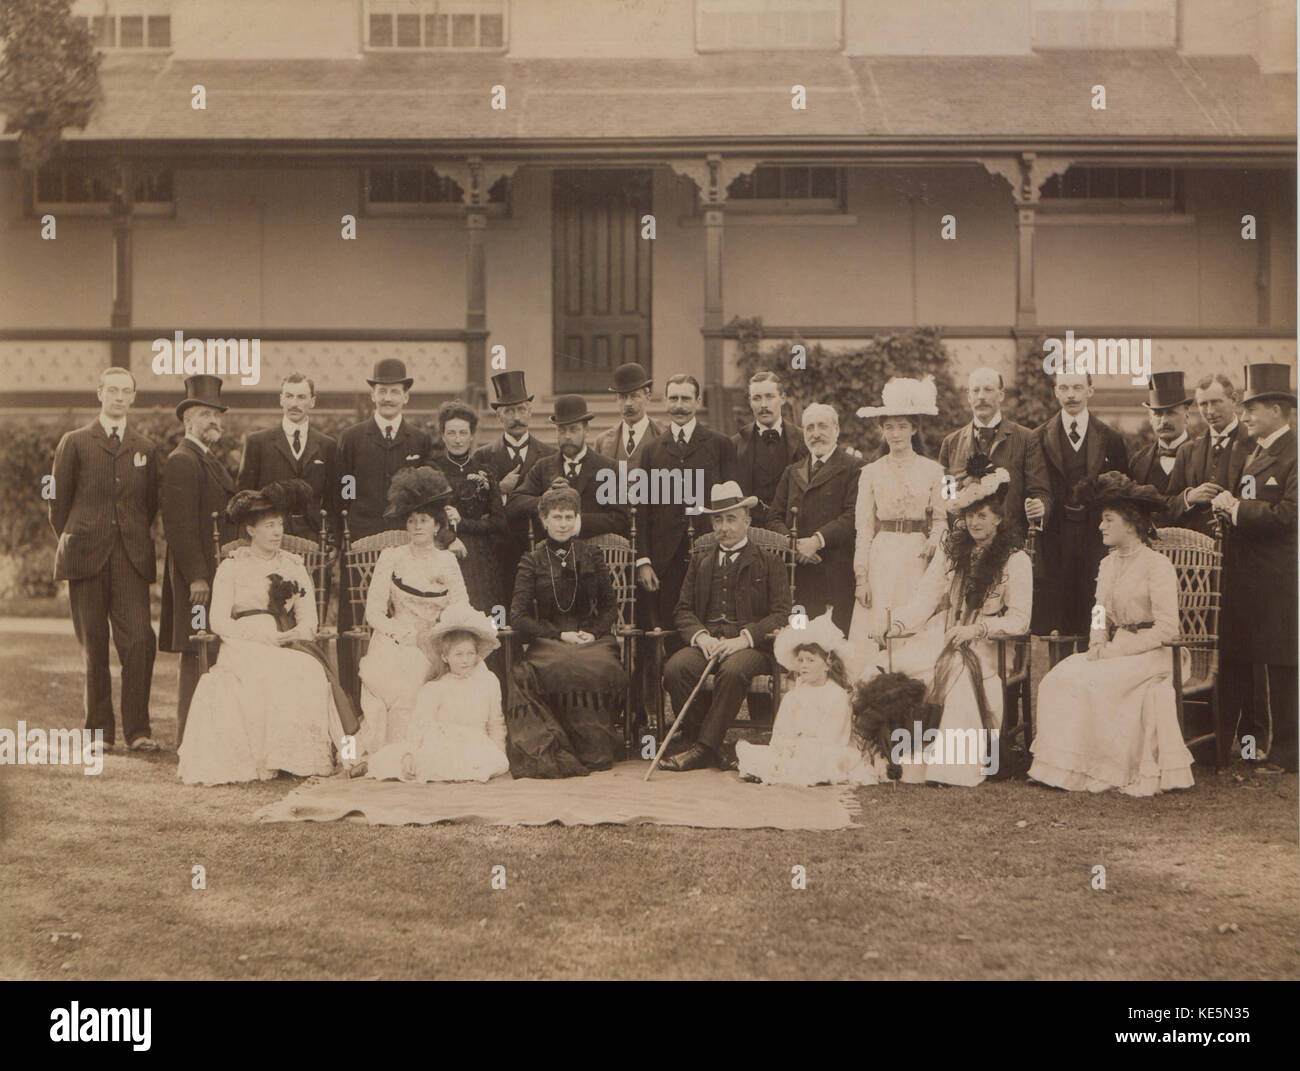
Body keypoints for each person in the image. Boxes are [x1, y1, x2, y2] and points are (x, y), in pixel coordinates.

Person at [866, 455, 1033, 786]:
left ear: (998, 518)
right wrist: (897, 625)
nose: (974, 523)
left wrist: (978, 628)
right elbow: (924, 599)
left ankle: (950, 767)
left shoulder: (1016, 560)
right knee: (881, 667)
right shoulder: (954, 553)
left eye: (982, 515)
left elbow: (1020, 620)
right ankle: (889, 757)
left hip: (990, 645)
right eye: (970, 515)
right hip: (944, 635)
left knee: (955, 676)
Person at [1029, 471, 1195, 795]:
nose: (1100, 527)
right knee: (1058, 678)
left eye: (1107, 520)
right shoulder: (1107, 564)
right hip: (1115, 647)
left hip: (1156, 654)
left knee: (1097, 681)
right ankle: (1062, 767)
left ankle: (1106, 768)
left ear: (1131, 523)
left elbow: (1167, 628)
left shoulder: (1157, 566)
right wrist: (1096, 640)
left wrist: (1118, 652)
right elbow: (1099, 611)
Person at [177, 481, 351, 785]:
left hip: (286, 641)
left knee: (309, 670)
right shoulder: (231, 568)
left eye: (280, 525)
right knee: (264, 673)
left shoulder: (294, 565)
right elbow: (217, 620)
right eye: (269, 525)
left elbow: (309, 620)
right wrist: (257, 638)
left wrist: (287, 637)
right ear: (251, 530)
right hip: (242, 644)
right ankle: (266, 760)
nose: (277, 532)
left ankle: (302, 757)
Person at [49, 367, 160, 751]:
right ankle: (98, 733)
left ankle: (138, 731)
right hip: (85, 557)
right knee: (94, 647)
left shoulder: (145, 447)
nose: (118, 397)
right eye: (111, 390)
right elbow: (57, 506)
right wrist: (82, 536)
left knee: (141, 641)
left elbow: (149, 506)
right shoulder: (75, 442)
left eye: (125, 391)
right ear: (99, 393)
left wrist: (126, 534)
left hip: (130, 558)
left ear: (133, 397)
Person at [659, 482, 791, 772]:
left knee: (733, 672)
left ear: (747, 520)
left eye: (731, 518)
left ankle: (702, 749)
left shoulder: (769, 562)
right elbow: (682, 610)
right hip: (708, 643)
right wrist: (701, 636)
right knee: (676, 668)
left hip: (750, 648)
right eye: (717, 520)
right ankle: (705, 743)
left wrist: (744, 638)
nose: (724, 527)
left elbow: (782, 614)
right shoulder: (699, 562)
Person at [1209, 363, 1297, 774]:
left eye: (1252, 408)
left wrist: (1237, 508)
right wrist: (1229, 512)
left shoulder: (1294, 454)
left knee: (1283, 665)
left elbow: (1289, 516)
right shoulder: (1258, 451)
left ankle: (1286, 754)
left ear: (1278, 411)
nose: (1244, 416)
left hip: (1279, 577)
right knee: (1251, 659)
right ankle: (1253, 746)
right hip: (1248, 575)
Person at [507, 484, 627, 777]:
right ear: (544, 520)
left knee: (600, 665)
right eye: (556, 517)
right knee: (561, 664)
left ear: (577, 520)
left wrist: (594, 632)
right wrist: (558, 635)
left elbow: (610, 607)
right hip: (550, 637)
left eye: (568, 517)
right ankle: (563, 745)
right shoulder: (531, 560)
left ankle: (595, 746)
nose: (563, 523)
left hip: (590, 635)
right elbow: (518, 616)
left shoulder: (591, 554)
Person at [336, 358, 436, 700]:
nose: (388, 397)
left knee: (405, 621)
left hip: (406, 544)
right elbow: (343, 490)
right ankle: (353, 699)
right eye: (382, 391)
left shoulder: (420, 441)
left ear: (406, 396)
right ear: (372, 395)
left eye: (395, 391)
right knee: (356, 621)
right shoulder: (351, 439)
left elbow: (426, 496)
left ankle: (408, 698)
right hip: (362, 541)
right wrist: (348, 534)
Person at [356, 468, 468, 754]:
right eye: (412, 521)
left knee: (421, 673)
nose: (418, 527)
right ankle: (387, 748)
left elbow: (461, 607)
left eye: (424, 520)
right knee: (394, 675)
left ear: (436, 525)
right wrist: (402, 632)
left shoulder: (447, 560)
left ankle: (416, 748)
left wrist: (435, 634)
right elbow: (374, 612)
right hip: (395, 637)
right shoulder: (391, 557)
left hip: (434, 638)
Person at [848, 377, 946, 670]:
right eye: (889, 426)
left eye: (902, 426)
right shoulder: (870, 472)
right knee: (877, 620)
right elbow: (864, 528)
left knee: (910, 619)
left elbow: (943, 518)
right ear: (882, 430)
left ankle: (910, 683)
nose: (896, 433)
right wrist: (861, 577)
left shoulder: (935, 471)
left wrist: (935, 538)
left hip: (917, 555)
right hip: (882, 554)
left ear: (914, 428)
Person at [160, 374, 235, 746]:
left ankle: (209, 733)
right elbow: (178, 526)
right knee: (195, 649)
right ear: (188, 419)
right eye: (206, 414)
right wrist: (196, 578)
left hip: (214, 573)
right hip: (197, 581)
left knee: (210, 646)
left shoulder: (207, 460)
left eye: (218, 416)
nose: (214, 422)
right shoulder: (181, 461)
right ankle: (187, 737)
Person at [636, 374, 738, 632]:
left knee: (710, 622)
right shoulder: (652, 450)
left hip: (709, 553)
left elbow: (733, 505)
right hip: (665, 560)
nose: (679, 405)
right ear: (665, 402)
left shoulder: (720, 445)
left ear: (698, 401)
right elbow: (643, 510)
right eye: (673, 398)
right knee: (669, 626)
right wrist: (644, 559)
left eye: (685, 398)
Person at [1030, 372, 1128, 641]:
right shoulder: (1038, 438)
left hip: (1096, 541)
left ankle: (1093, 667)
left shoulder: (1111, 439)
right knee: (1058, 624)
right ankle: (1059, 673)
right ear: (1056, 392)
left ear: (1090, 391)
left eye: (1077, 387)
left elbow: (1121, 496)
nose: (1071, 394)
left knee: (1094, 611)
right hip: (1055, 541)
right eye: (1064, 388)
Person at [366, 605, 508, 783]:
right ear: (444, 657)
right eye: (458, 654)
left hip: (477, 744)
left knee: (488, 762)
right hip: (443, 745)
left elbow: (496, 723)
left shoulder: (488, 682)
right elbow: (420, 726)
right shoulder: (435, 688)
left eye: (470, 653)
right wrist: (411, 753)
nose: (465, 660)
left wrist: (499, 753)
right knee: (420, 762)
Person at [735, 612, 878, 786]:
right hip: (796, 747)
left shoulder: (836, 695)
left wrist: (805, 747)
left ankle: (795, 768)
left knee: (821, 762)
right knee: (771, 757)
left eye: (811, 660)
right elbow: (783, 729)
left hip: (826, 750)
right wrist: (787, 746)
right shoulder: (794, 695)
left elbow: (834, 737)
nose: (804, 665)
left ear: (827, 664)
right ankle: (785, 766)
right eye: (801, 660)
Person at [765, 402, 861, 634]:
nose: (816, 434)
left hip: (836, 576)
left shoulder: (854, 468)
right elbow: (773, 517)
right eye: (809, 428)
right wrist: (793, 545)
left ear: (836, 430)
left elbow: (853, 516)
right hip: (799, 577)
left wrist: (817, 541)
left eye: (822, 426)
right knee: (800, 639)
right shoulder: (792, 472)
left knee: (833, 643)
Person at [938, 366, 1049, 539]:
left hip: (1011, 542)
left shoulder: (1027, 439)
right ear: (968, 396)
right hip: (965, 545)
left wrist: (1039, 506)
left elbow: (1040, 492)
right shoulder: (951, 443)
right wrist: (958, 524)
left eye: (988, 390)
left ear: (1001, 395)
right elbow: (946, 495)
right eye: (975, 390)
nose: (981, 396)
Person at [473, 370, 556, 598]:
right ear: (499, 415)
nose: (516, 417)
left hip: (538, 545)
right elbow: (476, 507)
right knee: (502, 605)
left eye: (521, 409)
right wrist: (499, 490)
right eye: (509, 411)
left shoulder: (549, 455)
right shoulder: (483, 456)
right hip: (499, 547)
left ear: (530, 411)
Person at [507, 395, 630, 539]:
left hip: (594, 554)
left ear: (587, 430)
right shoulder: (543, 466)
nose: (567, 436)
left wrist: (577, 524)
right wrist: (546, 500)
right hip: (550, 557)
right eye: (561, 430)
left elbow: (621, 518)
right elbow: (514, 503)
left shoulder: (609, 468)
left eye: (573, 430)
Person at [236, 372, 338, 541]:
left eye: (301, 397)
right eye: (289, 396)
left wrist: (330, 537)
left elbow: (334, 497)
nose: (294, 404)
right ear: (281, 399)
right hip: (269, 536)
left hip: (313, 536)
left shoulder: (327, 445)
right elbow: (245, 494)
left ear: (312, 401)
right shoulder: (258, 442)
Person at [432, 401, 507, 616]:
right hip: (444, 548)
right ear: (443, 435)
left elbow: (499, 522)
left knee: (484, 614)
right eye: (451, 433)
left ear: (472, 435)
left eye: (463, 433)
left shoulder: (484, 471)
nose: (457, 439)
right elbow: (427, 517)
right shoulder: (434, 469)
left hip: (480, 554)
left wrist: (462, 522)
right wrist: (448, 537)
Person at [1164, 372, 1252, 538]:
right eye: (1203, 404)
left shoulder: (1255, 444)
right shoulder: (1187, 450)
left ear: (1233, 399)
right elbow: (1168, 505)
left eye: (1216, 402)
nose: (1210, 411)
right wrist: (1189, 497)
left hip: (1242, 550)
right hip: (1199, 554)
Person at [733, 370, 807, 527]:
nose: (763, 405)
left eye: (769, 396)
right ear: (750, 402)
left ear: (783, 398)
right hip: (752, 533)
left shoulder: (803, 441)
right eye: (757, 398)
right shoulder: (735, 445)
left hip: (793, 531)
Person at [1128, 371, 1192, 501]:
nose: (1164, 421)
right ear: (1150, 418)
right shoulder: (1138, 462)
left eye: (1171, 413)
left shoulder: (1203, 456)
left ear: (1186, 414)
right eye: (1157, 414)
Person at [594, 362, 664, 470]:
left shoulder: (663, 436)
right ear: (616, 399)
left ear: (648, 397)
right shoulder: (602, 441)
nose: (628, 403)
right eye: (622, 397)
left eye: (634, 396)